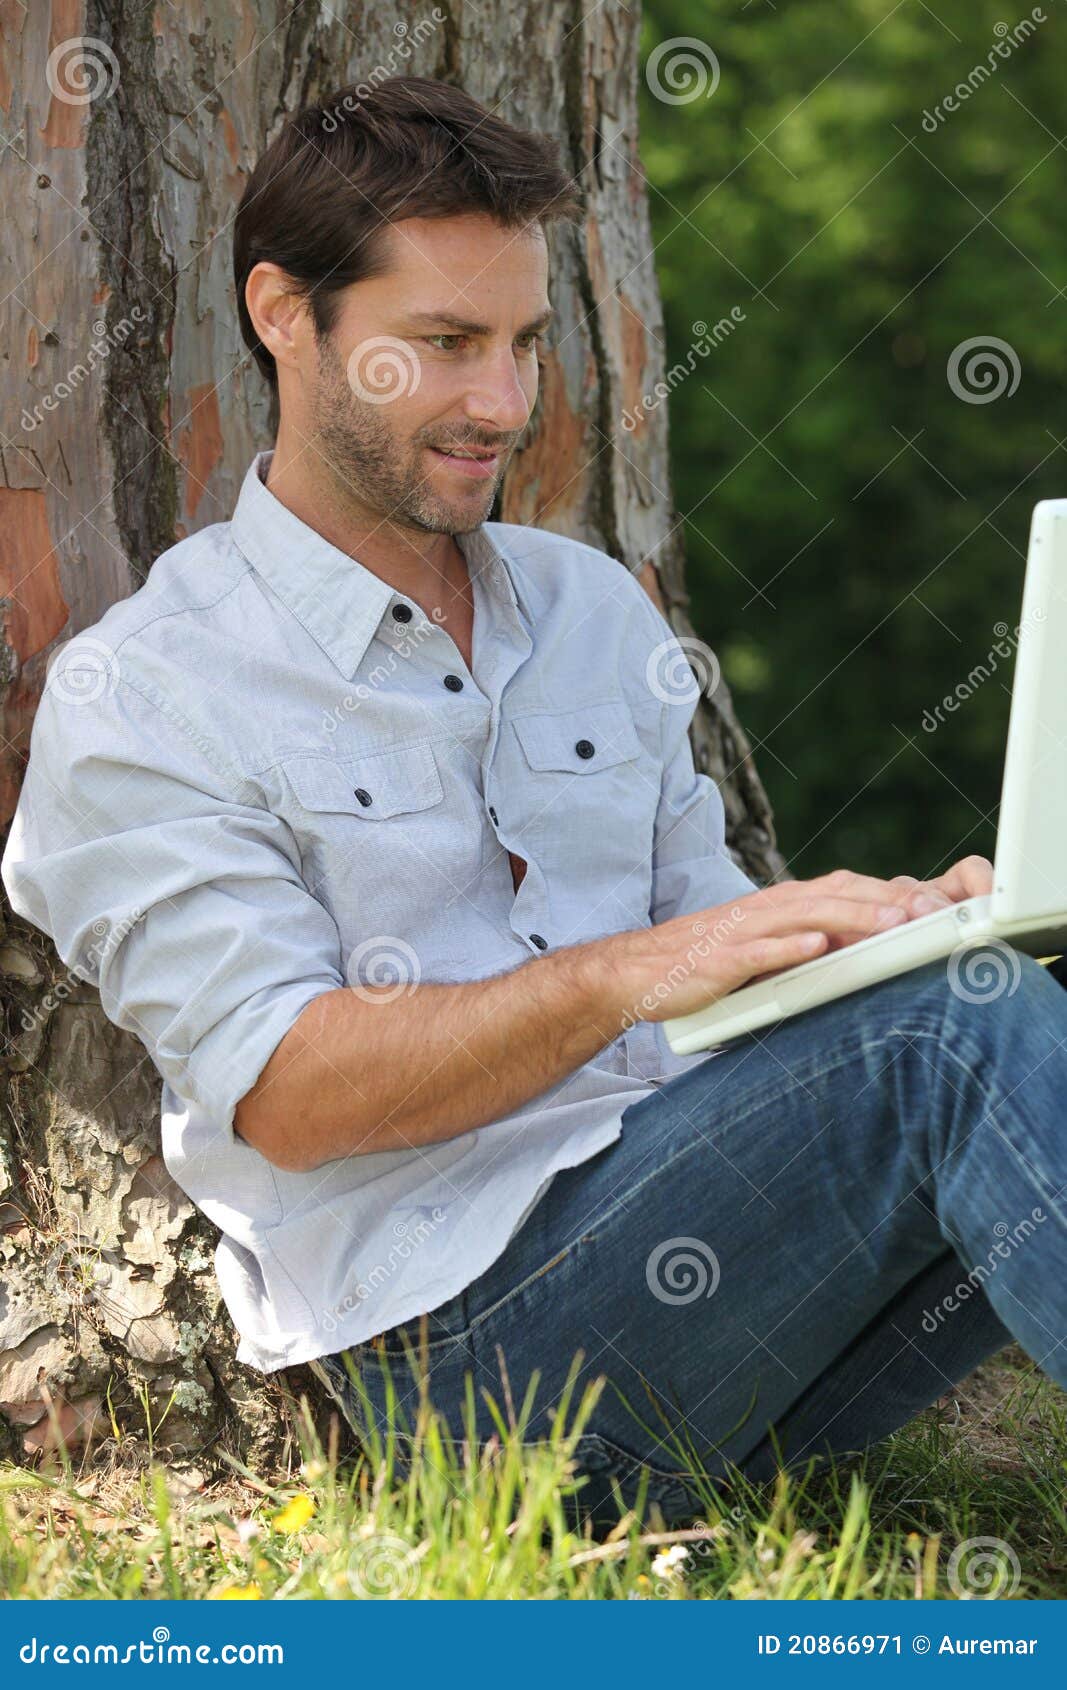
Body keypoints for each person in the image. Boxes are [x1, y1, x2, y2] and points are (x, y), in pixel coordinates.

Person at [4, 76, 1064, 1532]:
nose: (502, 405)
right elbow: (290, 1091)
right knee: (964, 1036)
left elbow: (719, 975)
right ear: (281, 313)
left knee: (987, 987)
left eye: (522, 345)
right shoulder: (146, 692)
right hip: (472, 1368)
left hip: (715, 1287)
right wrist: (631, 972)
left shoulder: (586, 610)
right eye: (441, 346)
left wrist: (898, 939)